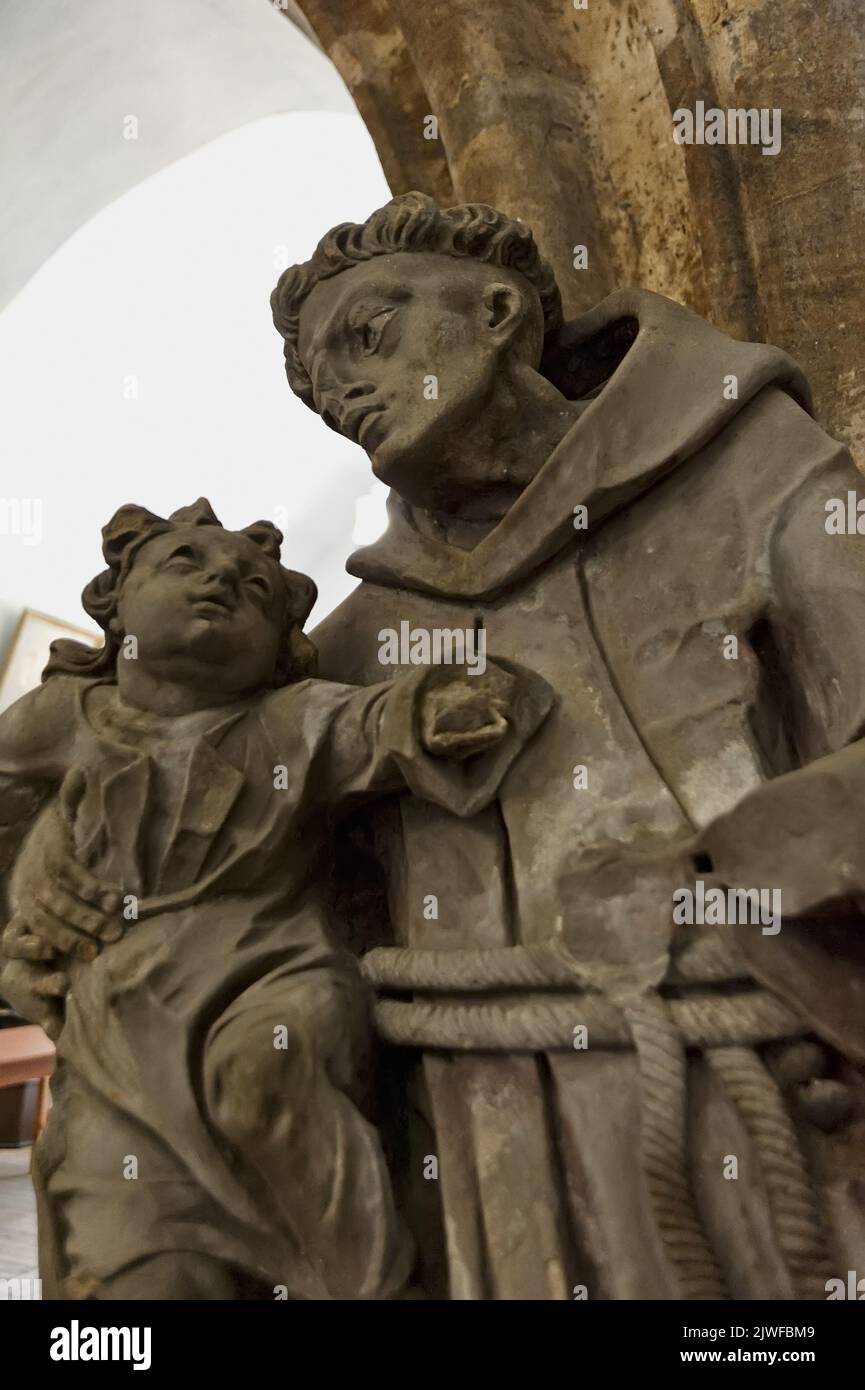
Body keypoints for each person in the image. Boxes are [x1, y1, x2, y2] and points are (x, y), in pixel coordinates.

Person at [261, 191, 865, 1299]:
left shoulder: (753, 467)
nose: (341, 389)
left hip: (760, 1077)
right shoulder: (354, 651)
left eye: (369, 334)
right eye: (316, 388)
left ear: (497, 312)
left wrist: (751, 891)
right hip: (486, 1142)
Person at [0, 496, 552, 1300]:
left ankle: (368, 1283)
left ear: (279, 650)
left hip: (269, 978)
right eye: (185, 562)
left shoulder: (289, 721)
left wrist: (438, 710)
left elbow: (378, 719)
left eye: (253, 588)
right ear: (115, 604)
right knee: (125, 1266)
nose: (221, 581)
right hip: (114, 1042)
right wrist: (26, 896)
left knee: (260, 1071)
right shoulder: (54, 721)